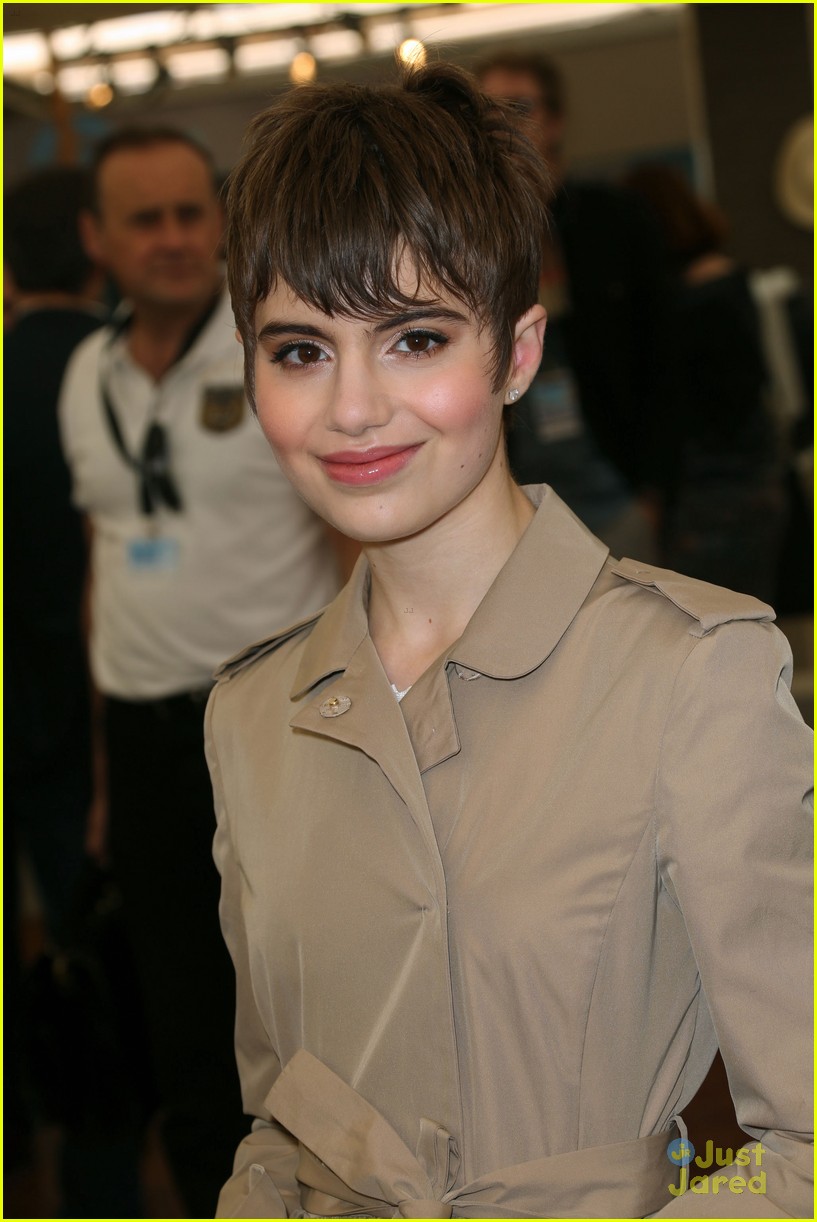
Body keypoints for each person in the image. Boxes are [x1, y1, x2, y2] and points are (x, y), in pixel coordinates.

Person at [207, 65, 812, 1219]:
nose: (352, 408)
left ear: (517, 352)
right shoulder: (248, 717)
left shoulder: (691, 673)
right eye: (300, 351)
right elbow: (275, 1124)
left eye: (414, 338)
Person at [58, 126, 343, 1217]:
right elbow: (104, 558)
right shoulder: (84, 373)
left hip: (283, 722)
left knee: (312, 998)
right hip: (142, 738)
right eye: (146, 219)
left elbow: (350, 539)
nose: (175, 238)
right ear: (96, 238)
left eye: (191, 213)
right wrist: (101, 773)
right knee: (183, 1016)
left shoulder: (283, 350)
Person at [475, 50, 672, 560]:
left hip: (618, 497)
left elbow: (665, 361)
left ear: (556, 120)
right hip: (515, 512)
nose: (504, 124)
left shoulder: (616, 221)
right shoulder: (466, 240)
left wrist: (654, 494)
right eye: (489, 111)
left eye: (520, 107)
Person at [623, 161, 790, 604]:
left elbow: (693, 410)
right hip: (757, 477)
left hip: (713, 494)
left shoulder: (688, 305)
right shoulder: (734, 281)